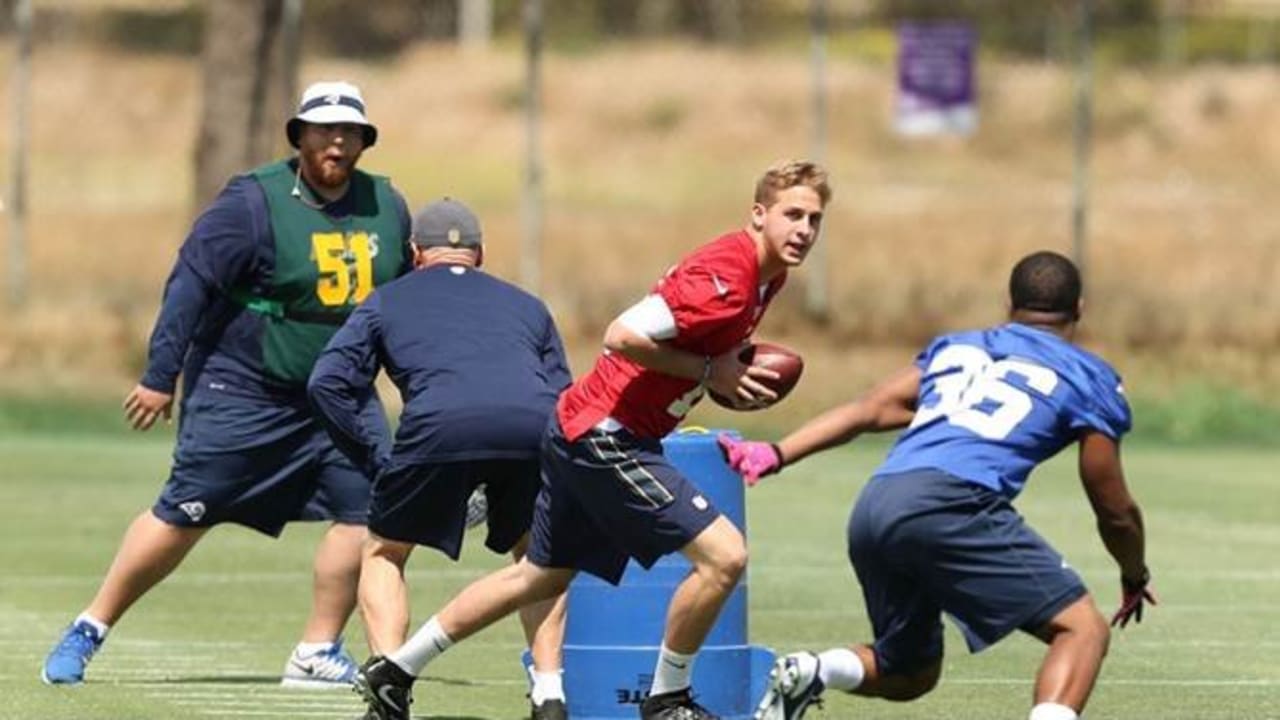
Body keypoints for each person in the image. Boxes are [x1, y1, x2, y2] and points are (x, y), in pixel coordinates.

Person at [352, 160, 832, 720]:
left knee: (538, 576)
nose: (803, 230)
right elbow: (621, 334)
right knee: (725, 557)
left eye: (814, 219)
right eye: (791, 215)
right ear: (759, 214)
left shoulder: (769, 275)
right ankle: (668, 700)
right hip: (606, 435)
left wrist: (710, 371)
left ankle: (395, 669)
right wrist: (708, 372)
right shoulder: (726, 276)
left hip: (585, 427)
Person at [40, 80, 412, 689]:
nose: (337, 143)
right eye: (324, 130)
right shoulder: (252, 202)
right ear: (300, 135)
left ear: (365, 141)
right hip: (243, 389)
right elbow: (190, 283)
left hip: (340, 397)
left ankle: (316, 651)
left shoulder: (386, 205)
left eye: (350, 133)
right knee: (186, 510)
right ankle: (91, 626)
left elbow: (402, 303)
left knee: (370, 514)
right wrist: (161, 376)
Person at [718, 250, 1156, 720]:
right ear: (1081, 308)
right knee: (1082, 629)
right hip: (954, 504)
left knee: (910, 670)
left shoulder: (957, 348)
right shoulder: (1088, 375)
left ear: (1010, 305)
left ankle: (814, 670)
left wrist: (779, 452)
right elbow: (1110, 502)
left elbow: (870, 408)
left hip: (878, 503)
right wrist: (1133, 572)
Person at [307, 198, 573, 720]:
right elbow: (564, 396)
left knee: (385, 551)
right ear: (479, 253)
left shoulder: (386, 300)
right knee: (536, 559)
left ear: (413, 253)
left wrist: (376, 458)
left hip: (438, 428)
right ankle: (549, 693)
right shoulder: (528, 305)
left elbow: (327, 382)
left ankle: (389, 684)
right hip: (531, 427)